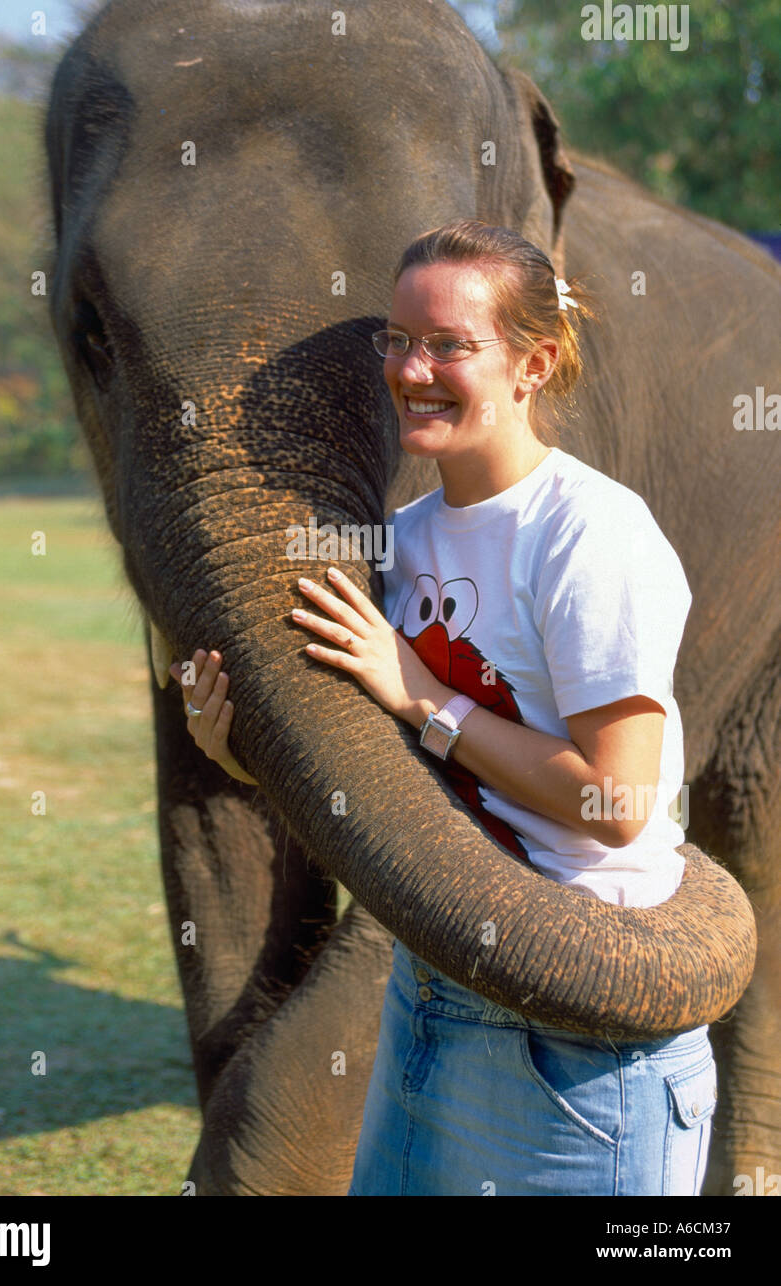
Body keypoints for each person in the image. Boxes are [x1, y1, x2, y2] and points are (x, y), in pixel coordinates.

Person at [169, 220, 716, 1196]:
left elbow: (617, 800)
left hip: (580, 1047)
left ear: (533, 362)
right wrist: (236, 747)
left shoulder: (591, 536)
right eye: (397, 338)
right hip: (428, 995)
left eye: (450, 344)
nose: (412, 368)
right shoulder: (400, 541)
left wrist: (419, 692)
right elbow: (384, 768)